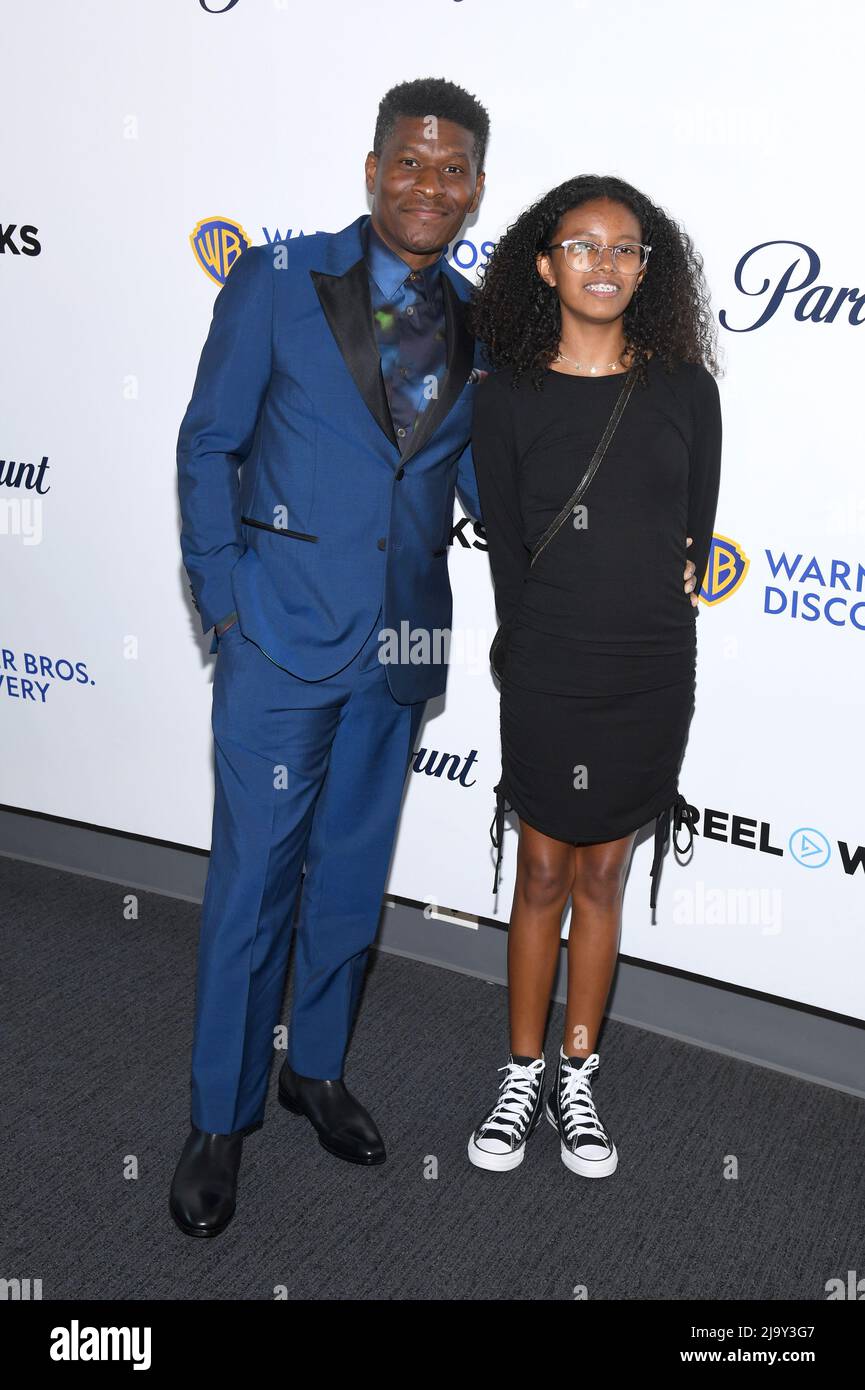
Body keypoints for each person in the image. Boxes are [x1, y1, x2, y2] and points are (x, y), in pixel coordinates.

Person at [170, 77, 491, 1238]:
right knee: (255, 882)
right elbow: (210, 440)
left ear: (474, 191)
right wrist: (226, 600)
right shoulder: (277, 278)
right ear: (372, 169)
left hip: (401, 639)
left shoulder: (475, 319)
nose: (428, 184)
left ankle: (314, 1067)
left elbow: (467, 481)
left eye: (452, 169)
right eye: (410, 160)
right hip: (282, 633)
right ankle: (222, 1113)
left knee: (351, 879)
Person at [467, 174, 722, 1178]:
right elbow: (500, 549)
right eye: (582, 245)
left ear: (647, 271)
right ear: (543, 262)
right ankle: (520, 1069)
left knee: (605, 871)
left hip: (647, 666)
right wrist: (525, 654)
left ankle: (578, 1074)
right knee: (539, 869)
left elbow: (690, 538)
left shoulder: (683, 390)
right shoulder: (508, 396)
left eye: (625, 248)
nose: (605, 263)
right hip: (547, 665)